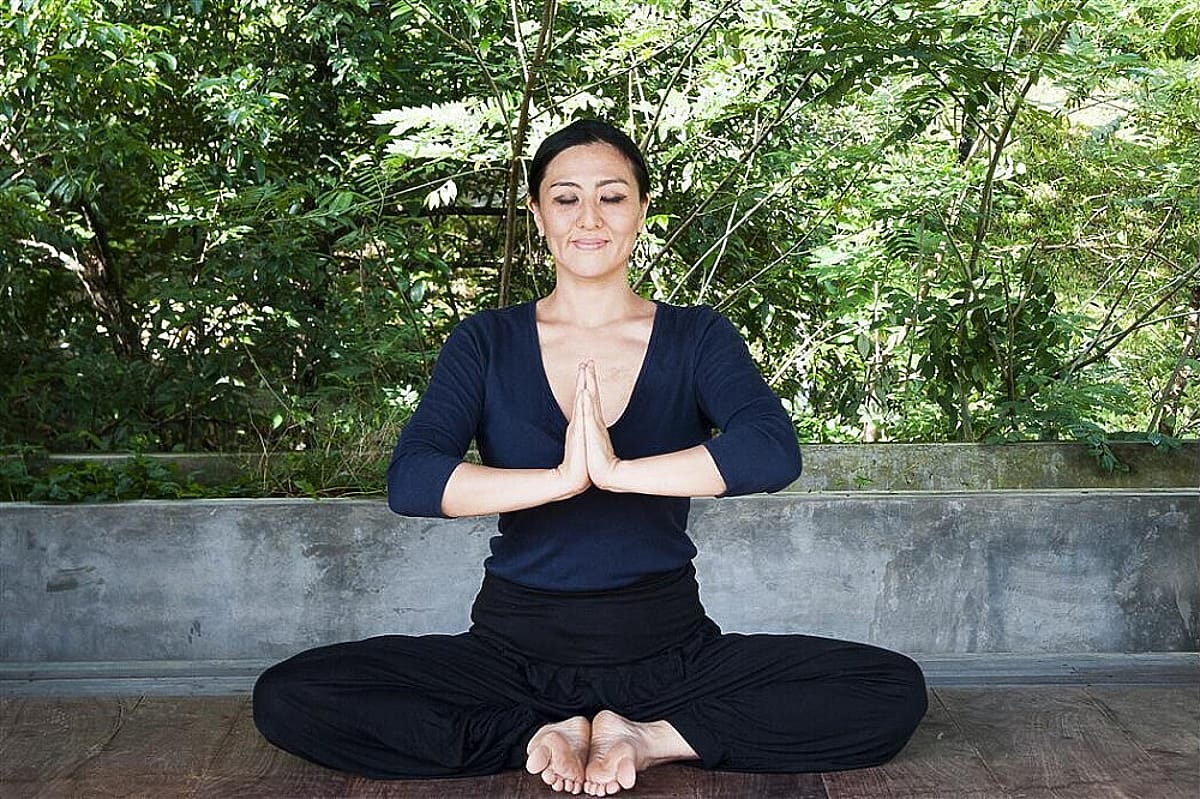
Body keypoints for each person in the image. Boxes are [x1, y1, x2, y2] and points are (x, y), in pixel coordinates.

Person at [253, 119, 927, 796]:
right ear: (538, 214)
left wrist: (617, 474)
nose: (589, 218)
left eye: (612, 196)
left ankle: (649, 736)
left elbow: (771, 451)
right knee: (291, 694)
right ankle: (538, 732)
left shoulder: (696, 336)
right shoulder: (486, 341)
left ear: (641, 210)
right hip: (509, 656)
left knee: (890, 688)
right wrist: (560, 480)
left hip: (671, 654)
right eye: (566, 197)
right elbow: (413, 479)